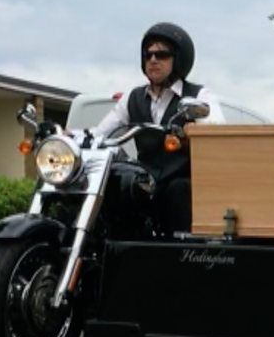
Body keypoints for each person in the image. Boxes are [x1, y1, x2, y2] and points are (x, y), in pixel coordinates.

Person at [93, 22, 225, 235]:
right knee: (120, 184)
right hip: (147, 180)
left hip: (179, 181)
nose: (153, 60)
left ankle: (183, 250)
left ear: (178, 59)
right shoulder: (133, 97)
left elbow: (216, 131)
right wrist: (72, 136)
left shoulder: (199, 95)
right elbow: (102, 132)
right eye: (148, 55)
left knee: (178, 190)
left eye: (162, 55)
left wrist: (193, 131)